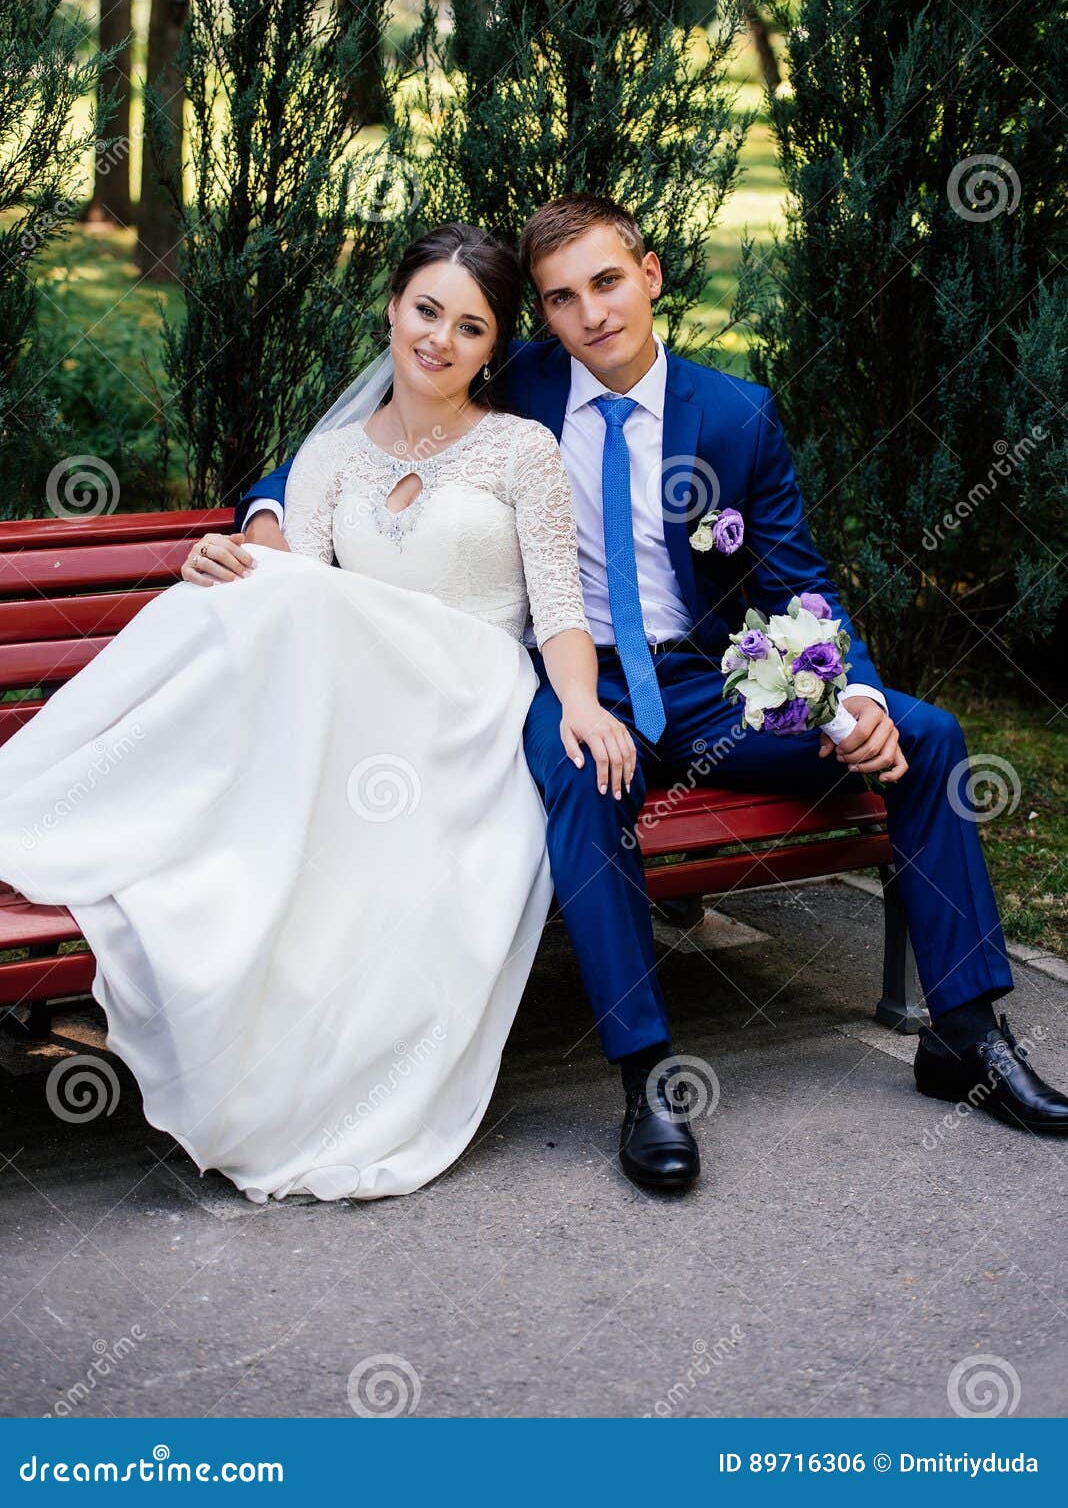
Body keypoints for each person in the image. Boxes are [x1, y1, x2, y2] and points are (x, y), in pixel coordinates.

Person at [232, 193, 1068, 1191]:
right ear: (539, 318)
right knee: (585, 774)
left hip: (713, 682)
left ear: (652, 274)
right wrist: (269, 516)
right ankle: (648, 1074)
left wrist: (862, 699)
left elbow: (795, 585)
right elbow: (356, 441)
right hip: (573, 674)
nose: (590, 313)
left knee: (928, 736)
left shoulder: (736, 414)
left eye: (607, 282)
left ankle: (967, 1036)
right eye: (560, 298)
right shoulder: (522, 388)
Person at [0, 222, 636, 1203]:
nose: (439, 339)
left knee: (284, 599)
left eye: (470, 327)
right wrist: (241, 562)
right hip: (361, 709)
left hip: (467, 703)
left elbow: (557, 610)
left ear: (493, 347)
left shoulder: (522, 451)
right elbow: (295, 601)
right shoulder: (332, 457)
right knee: (258, 590)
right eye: (426, 310)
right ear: (392, 308)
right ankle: (64, 796)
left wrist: (584, 704)